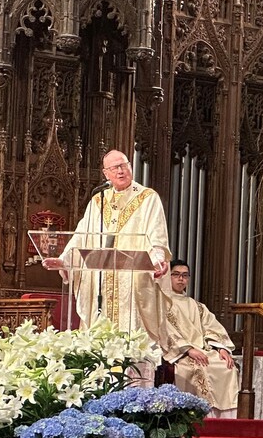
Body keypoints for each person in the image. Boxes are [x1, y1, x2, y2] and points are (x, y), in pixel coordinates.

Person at [45, 149, 171, 345]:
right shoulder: (98, 200)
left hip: (131, 281)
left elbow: (157, 233)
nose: (121, 171)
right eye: (114, 168)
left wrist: (157, 259)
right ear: (106, 174)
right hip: (101, 282)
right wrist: (65, 260)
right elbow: (81, 235)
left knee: (132, 340)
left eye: (124, 165)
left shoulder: (148, 198)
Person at [162, 260, 240, 418]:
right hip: (182, 353)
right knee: (196, 368)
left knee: (226, 366)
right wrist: (189, 349)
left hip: (203, 349)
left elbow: (212, 327)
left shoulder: (197, 306)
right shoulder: (162, 304)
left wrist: (221, 348)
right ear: (167, 277)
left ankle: (225, 419)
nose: (180, 279)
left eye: (185, 275)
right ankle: (199, 417)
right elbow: (164, 331)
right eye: (176, 275)